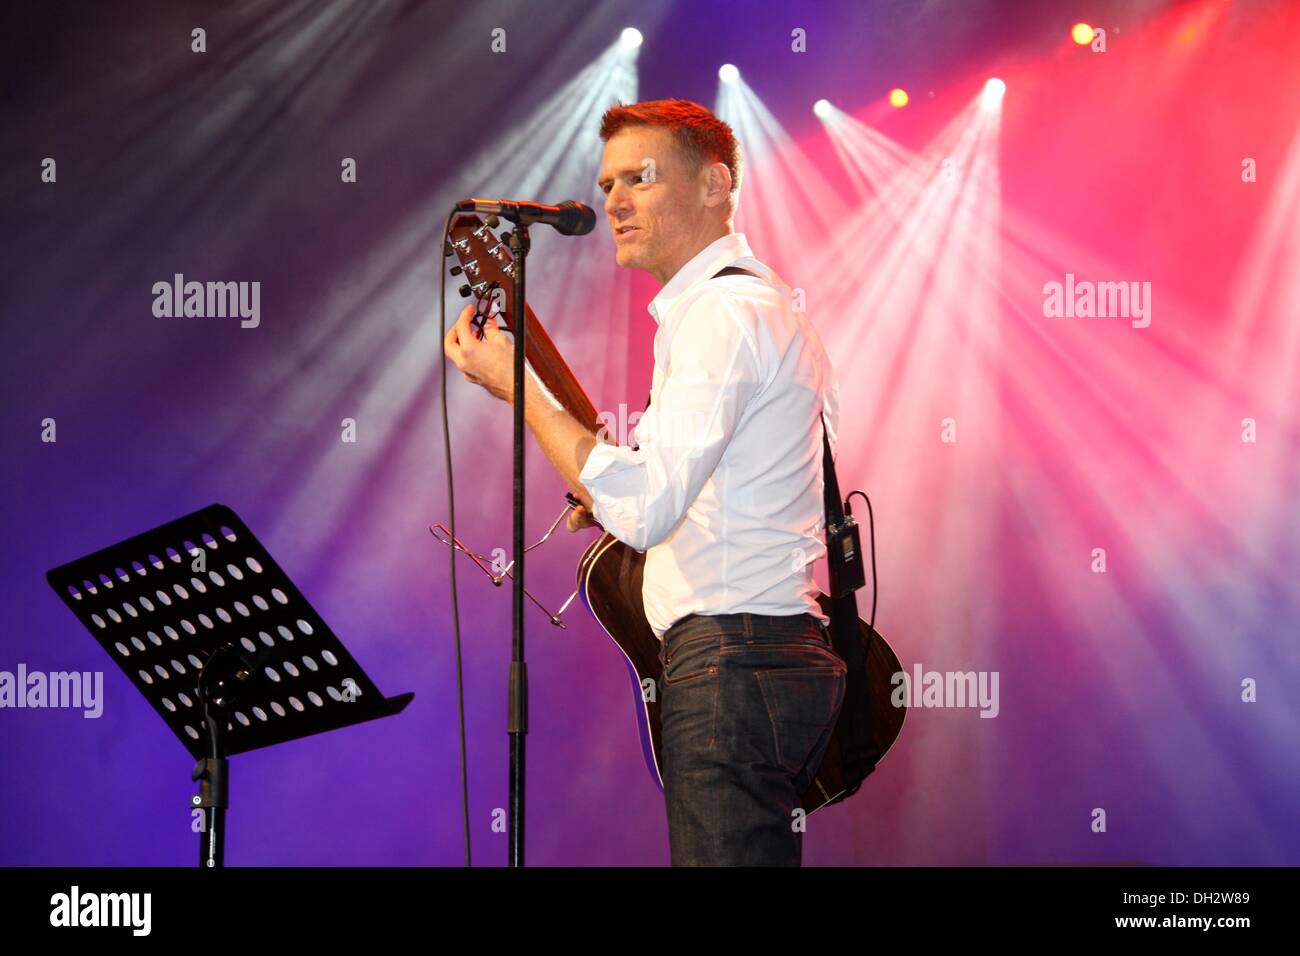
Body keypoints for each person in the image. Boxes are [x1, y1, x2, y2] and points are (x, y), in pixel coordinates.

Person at [445, 98, 845, 866]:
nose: (614, 201)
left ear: (714, 184)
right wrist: (609, 486)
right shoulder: (749, 306)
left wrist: (520, 388)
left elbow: (647, 507)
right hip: (760, 652)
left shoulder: (722, 314)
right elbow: (702, 492)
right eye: (606, 184)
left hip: (735, 656)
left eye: (641, 177)